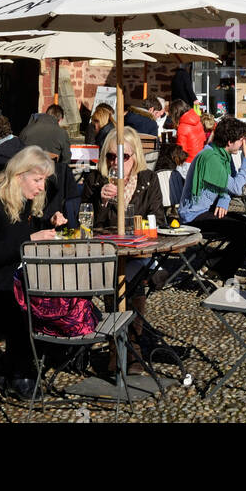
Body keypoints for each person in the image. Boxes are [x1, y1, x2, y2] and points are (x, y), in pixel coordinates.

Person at [0, 145, 66, 398]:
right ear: (19, 175)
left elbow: (17, 235)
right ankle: (20, 372)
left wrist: (47, 224)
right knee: (30, 304)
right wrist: (30, 240)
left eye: (43, 180)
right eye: (38, 180)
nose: (42, 187)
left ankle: (10, 367)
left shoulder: (23, 202)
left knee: (57, 297)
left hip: (14, 279)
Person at [82, 126, 164, 371]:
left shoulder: (148, 180)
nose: (116, 162)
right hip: (107, 254)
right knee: (117, 279)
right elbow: (86, 225)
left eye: (123, 157)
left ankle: (131, 352)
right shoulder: (95, 181)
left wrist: (141, 229)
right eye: (110, 156)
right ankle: (118, 352)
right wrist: (103, 202)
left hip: (139, 252)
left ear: (135, 157)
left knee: (134, 279)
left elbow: (157, 219)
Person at [178, 115, 246, 279]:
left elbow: (229, 186)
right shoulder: (210, 158)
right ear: (230, 142)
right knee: (245, 231)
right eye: (241, 140)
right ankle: (219, 270)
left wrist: (224, 199)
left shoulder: (222, 155)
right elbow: (237, 187)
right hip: (194, 215)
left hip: (208, 209)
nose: (243, 144)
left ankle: (214, 264)